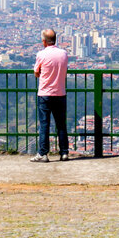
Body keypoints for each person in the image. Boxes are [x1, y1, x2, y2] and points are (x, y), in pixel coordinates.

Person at [30, 28, 70, 162]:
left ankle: (43, 153)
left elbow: (36, 72)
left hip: (45, 94)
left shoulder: (41, 54)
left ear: (44, 41)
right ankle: (64, 152)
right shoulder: (64, 54)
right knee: (61, 125)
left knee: (44, 124)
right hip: (60, 92)